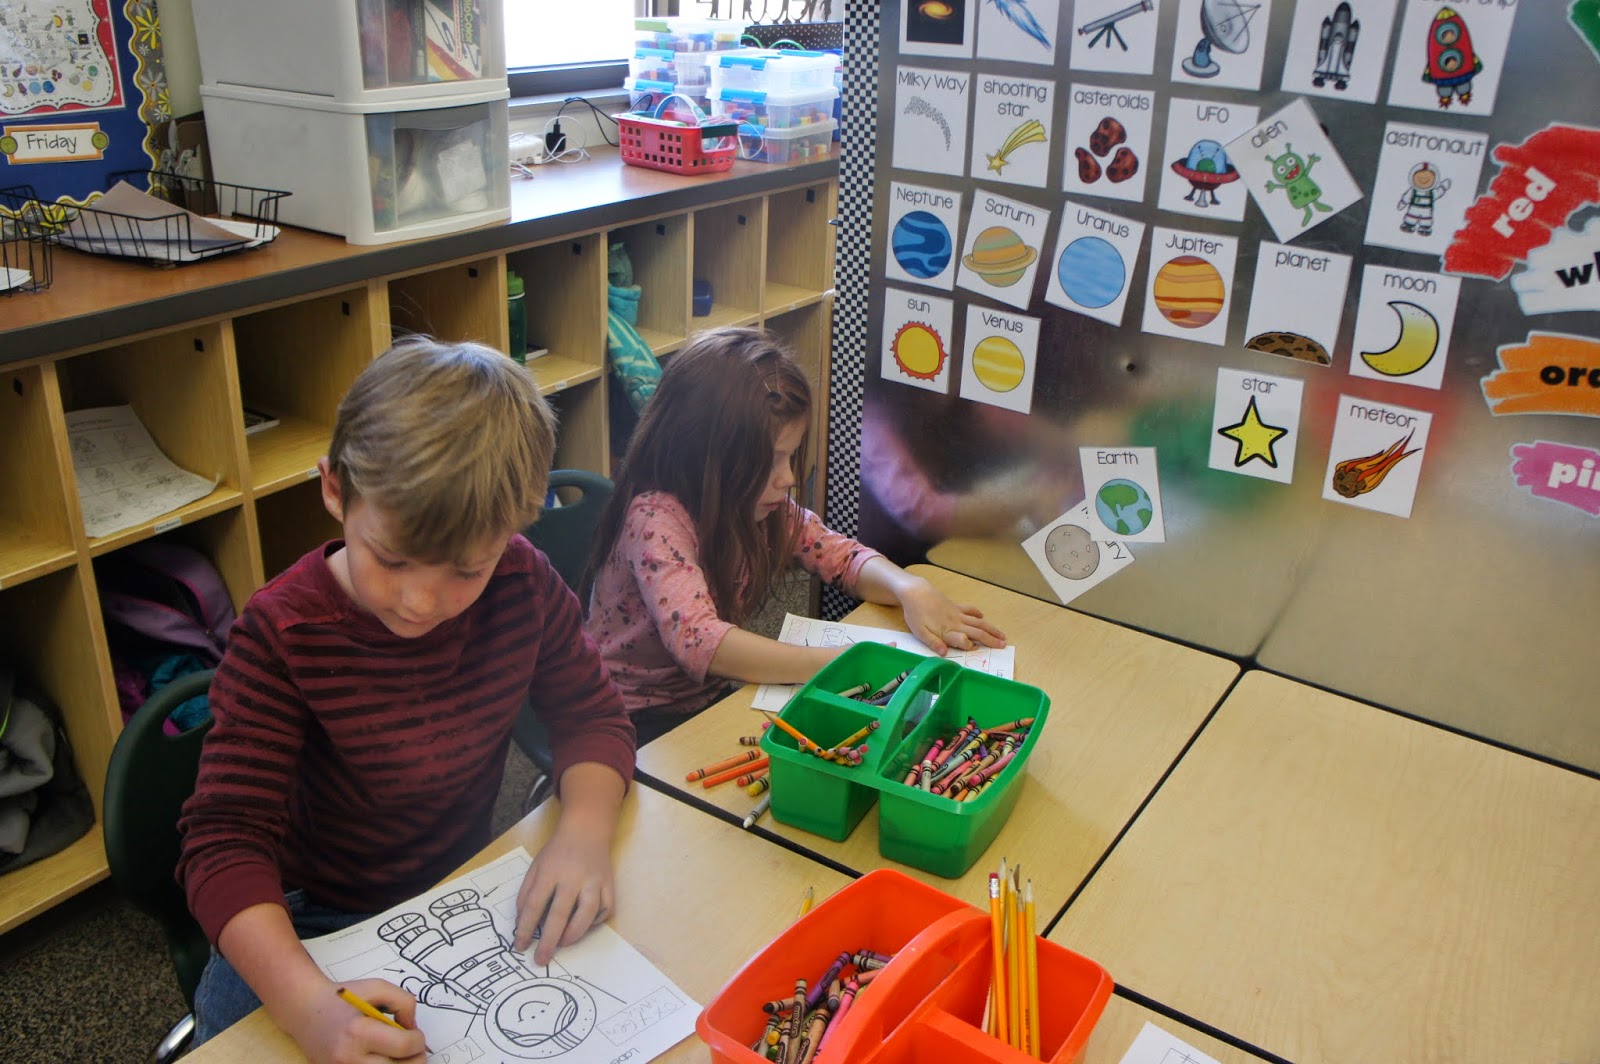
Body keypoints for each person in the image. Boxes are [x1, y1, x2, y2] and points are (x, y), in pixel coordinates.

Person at [176, 339, 636, 1064]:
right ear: (335, 490)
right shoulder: (283, 634)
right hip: (304, 921)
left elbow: (592, 717)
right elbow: (223, 844)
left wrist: (582, 831)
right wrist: (310, 1009)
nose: (423, 601)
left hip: (456, 885)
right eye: (389, 559)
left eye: (466, 570)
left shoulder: (523, 583)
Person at [585, 327, 1006, 742]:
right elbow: (699, 641)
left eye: (789, 456)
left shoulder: (756, 506)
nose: (788, 478)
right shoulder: (655, 519)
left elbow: (840, 556)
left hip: (707, 694)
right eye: (769, 461)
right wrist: (839, 663)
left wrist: (910, 587)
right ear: (707, 455)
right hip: (627, 714)